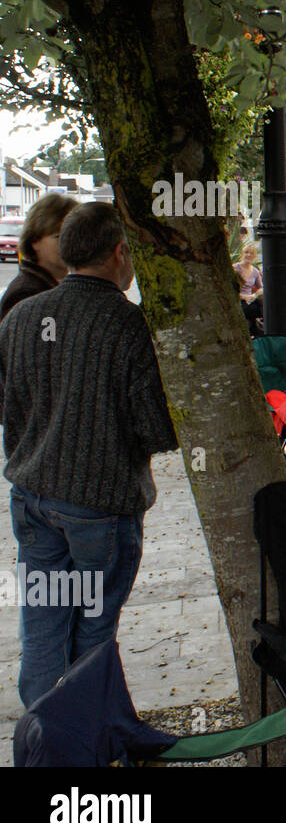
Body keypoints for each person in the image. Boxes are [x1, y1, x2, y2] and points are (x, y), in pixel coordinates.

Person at [0, 202, 177, 707]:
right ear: (120, 253)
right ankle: (85, 749)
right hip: (100, 504)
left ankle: (43, 748)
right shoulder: (128, 326)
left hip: (33, 499)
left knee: (42, 629)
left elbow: (7, 404)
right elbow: (157, 429)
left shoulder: (21, 317)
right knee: (94, 634)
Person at [1, 192, 77, 320]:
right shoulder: (26, 294)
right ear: (34, 240)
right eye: (59, 237)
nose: (69, 243)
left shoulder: (51, 285)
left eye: (75, 236)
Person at [233, 242, 264, 336]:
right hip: (238, 299)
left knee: (264, 304)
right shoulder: (235, 268)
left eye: (251, 253)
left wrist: (254, 295)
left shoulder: (255, 271)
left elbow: (261, 288)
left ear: (254, 256)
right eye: (246, 252)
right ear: (242, 254)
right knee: (249, 310)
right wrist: (244, 297)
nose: (248, 255)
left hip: (250, 300)